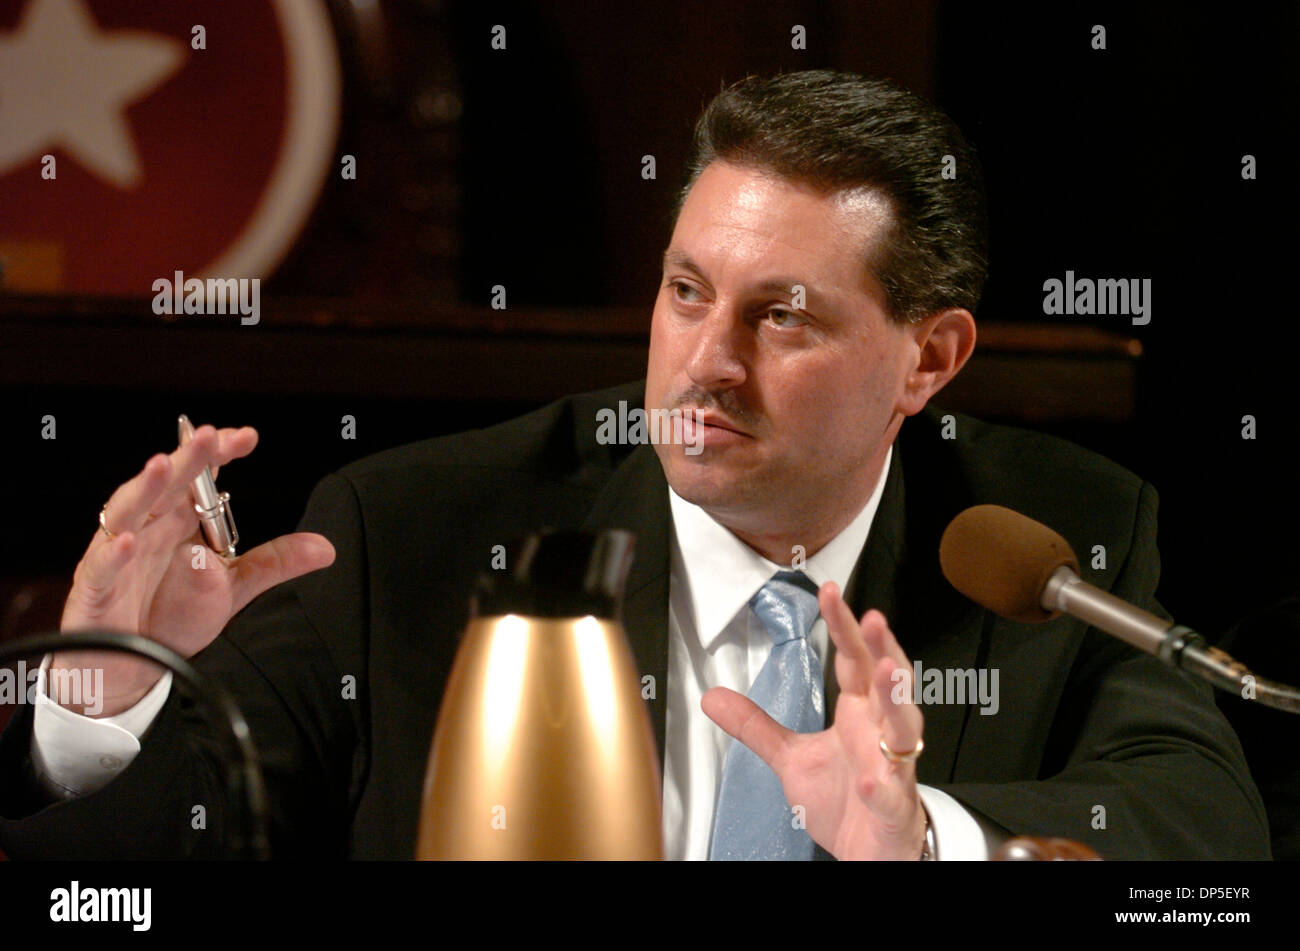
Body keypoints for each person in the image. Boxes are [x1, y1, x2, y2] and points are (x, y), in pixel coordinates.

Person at [0, 71, 1269, 860]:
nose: (704, 363)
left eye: (781, 316)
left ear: (928, 361)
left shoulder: (1041, 542)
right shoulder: (422, 529)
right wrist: (102, 709)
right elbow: (119, 885)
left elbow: (1206, 833)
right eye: (684, 292)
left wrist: (927, 844)